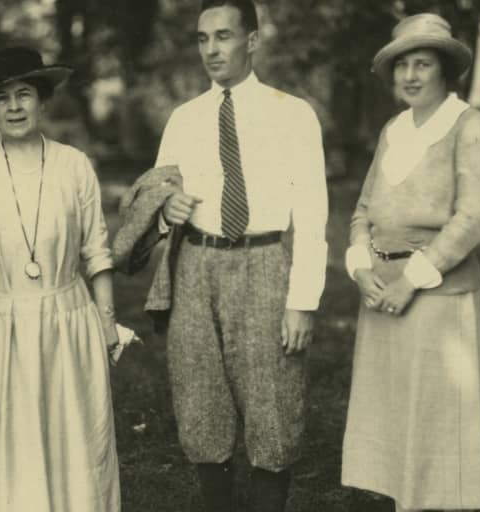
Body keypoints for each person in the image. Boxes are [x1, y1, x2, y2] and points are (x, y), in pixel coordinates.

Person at [113, 1, 328, 510]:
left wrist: (303, 302)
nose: (211, 49)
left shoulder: (292, 113)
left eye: (224, 36)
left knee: (271, 403)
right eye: (203, 38)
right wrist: (169, 211)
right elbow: (149, 205)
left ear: (252, 40)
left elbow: (315, 216)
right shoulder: (184, 119)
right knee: (201, 401)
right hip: (196, 265)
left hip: (264, 262)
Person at [0, 46, 121, 512]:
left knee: (75, 440)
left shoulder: (73, 165)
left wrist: (107, 319)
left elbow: (96, 250)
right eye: (1, 98)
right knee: (2, 445)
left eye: (24, 94)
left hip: (67, 318)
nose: (15, 107)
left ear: (41, 101)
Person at [340, 13, 480, 512]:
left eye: (422, 64)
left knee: (438, 418)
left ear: (444, 69)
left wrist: (409, 281)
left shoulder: (470, 126)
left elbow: (473, 219)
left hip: (435, 295)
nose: (410, 76)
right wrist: (362, 268)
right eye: (401, 66)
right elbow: (364, 210)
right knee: (396, 419)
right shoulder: (393, 129)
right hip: (381, 294)